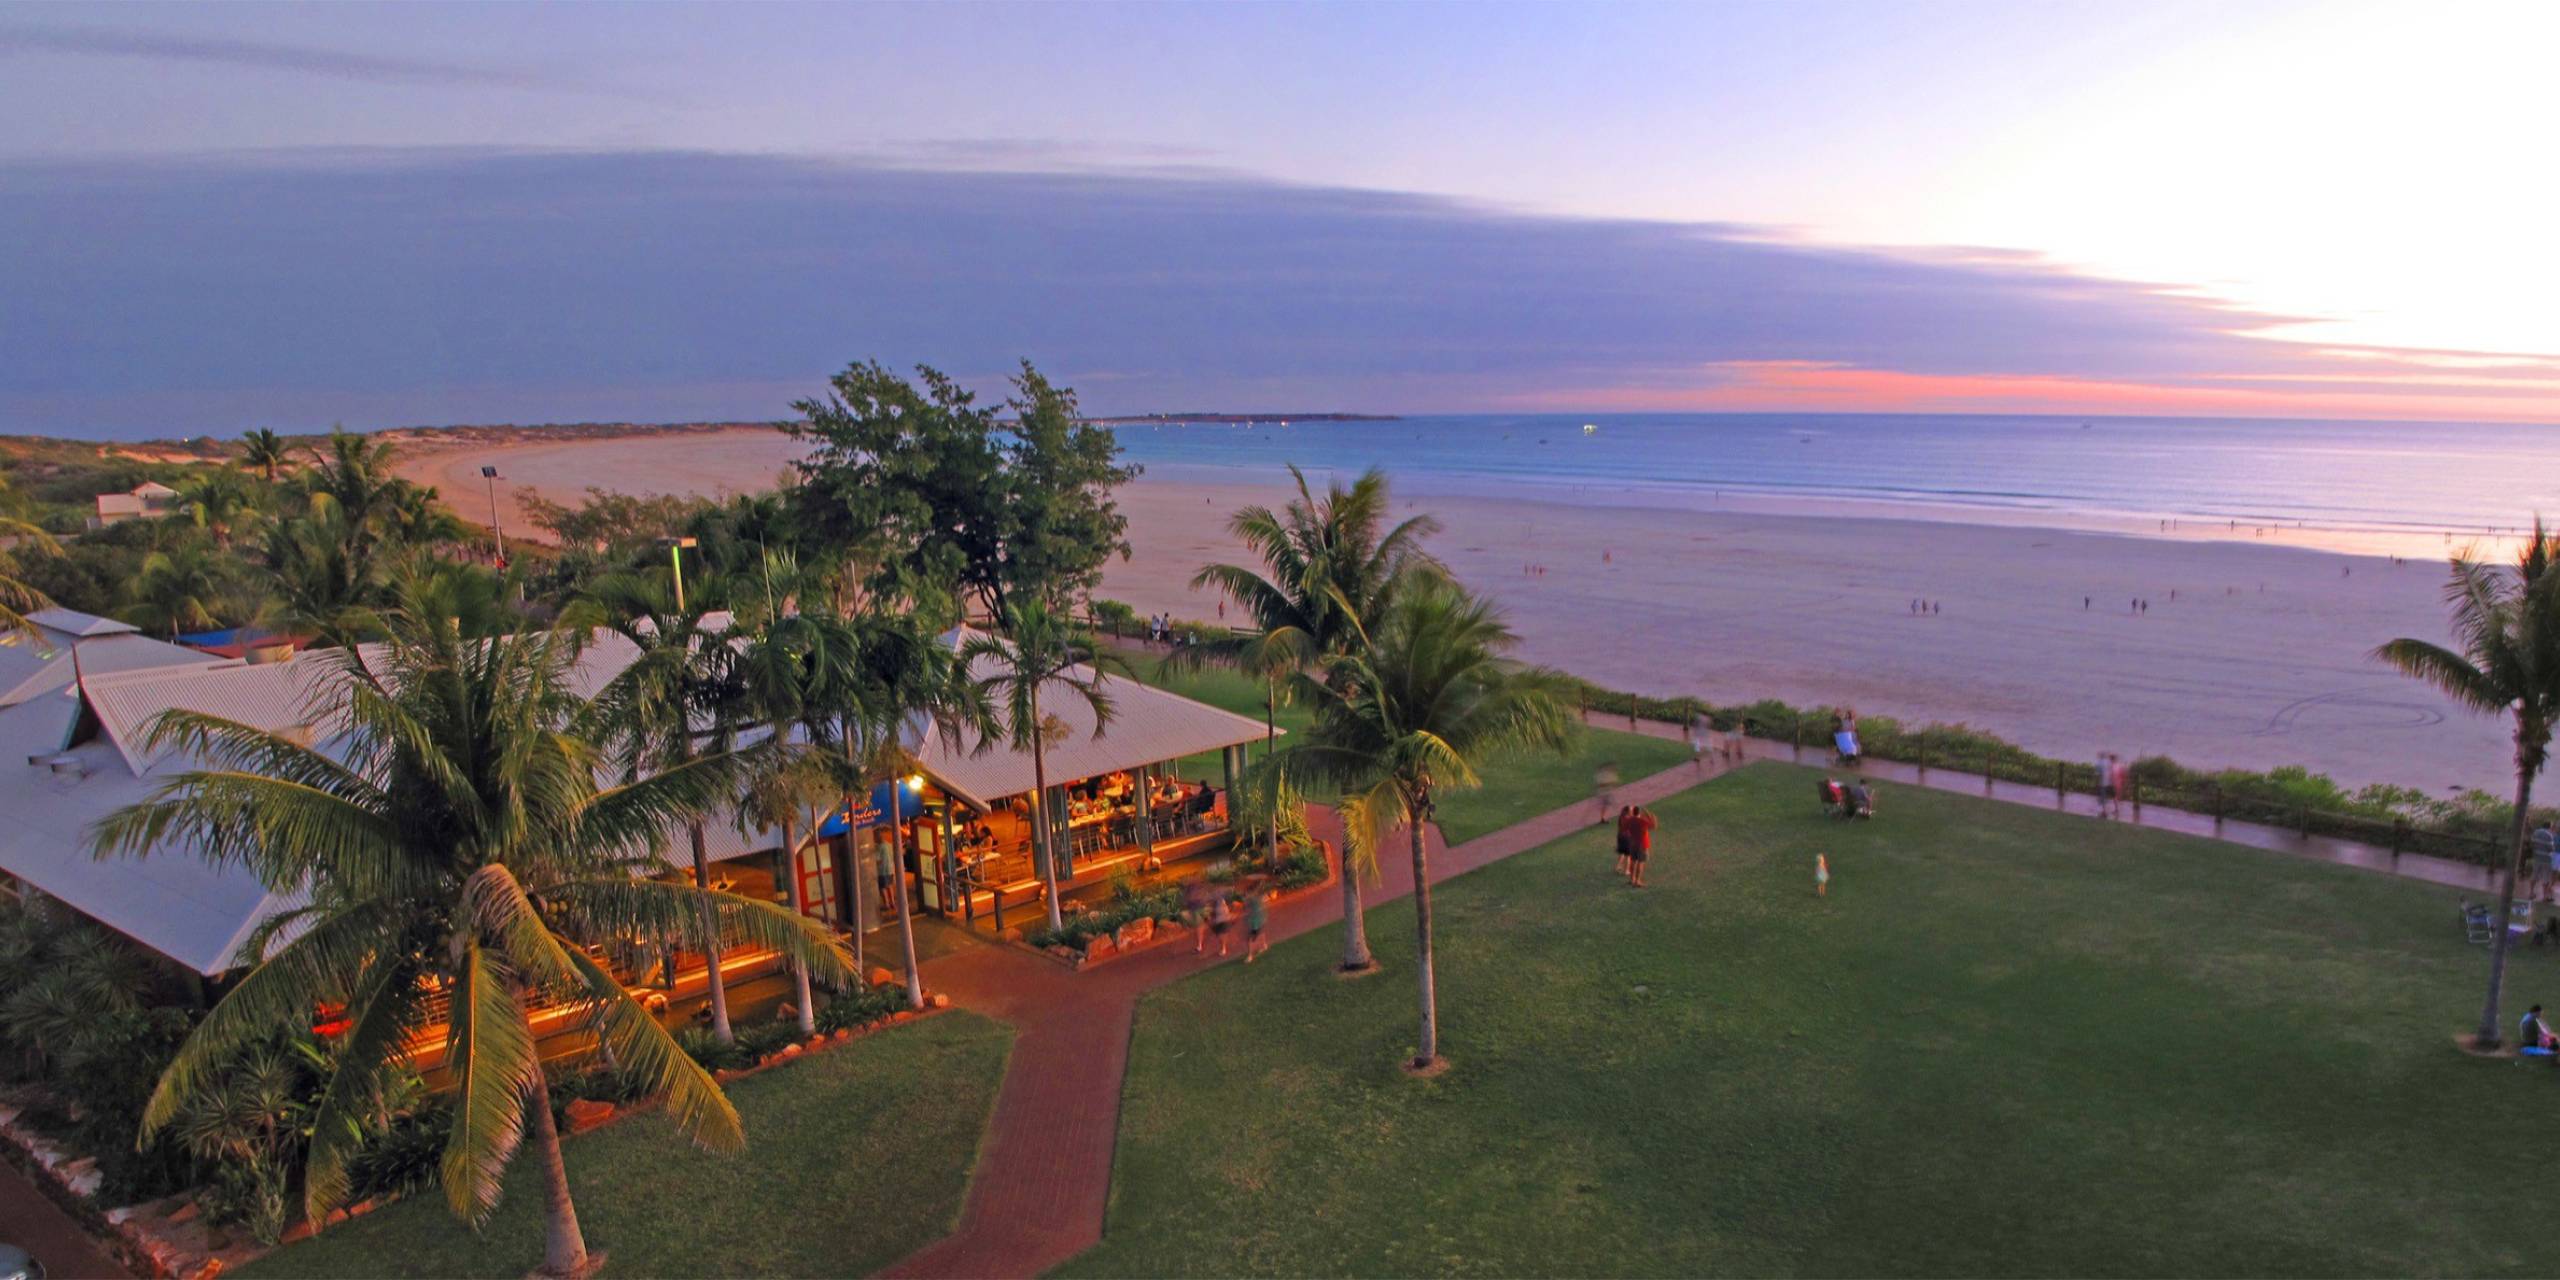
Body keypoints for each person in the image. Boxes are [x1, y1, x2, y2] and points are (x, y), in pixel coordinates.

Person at [1626, 805, 1657, 887]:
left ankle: (1632, 879)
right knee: (1641, 862)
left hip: (1633, 844)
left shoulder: (1630, 820)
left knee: (1633, 861)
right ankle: (1637, 881)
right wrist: (1648, 814)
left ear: (1633, 812)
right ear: (1639, 813)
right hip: (1642, 845)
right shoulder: (1642, 821)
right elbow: (1654, 826)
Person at [1243, 886, 1269, 963]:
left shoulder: (1252, 900)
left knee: (1249, 939)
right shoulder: (1258, 898)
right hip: (1260, 920)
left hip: (1255, 923)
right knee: (1261, 932)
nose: (1246, 894)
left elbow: (1246, 908)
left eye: (1247, 893)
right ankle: (1264, 945)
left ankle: (1250, 956)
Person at [2535, 820, 2558, 902]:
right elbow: (2551, 847)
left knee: (2538, 875)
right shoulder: (2549, 834)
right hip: (2548, 857)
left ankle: (2546, 891)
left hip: (2541, 856)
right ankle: (2545, 895)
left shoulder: (2538, 832)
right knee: (2547, 876)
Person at [1208, 891, 1236, 958]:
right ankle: (1224, 946)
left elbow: (1232, 903)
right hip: (1217, 919)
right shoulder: (1213, 897)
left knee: (1222, 934)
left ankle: (1223, 948)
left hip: (1223, 918)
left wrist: (1231, 913)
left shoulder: (1223, 897)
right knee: (1219, 934)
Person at [1614, 805, 1633, 877]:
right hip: (1627, 838)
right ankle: (1626, 870)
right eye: (1631, 810)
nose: (1632, 811)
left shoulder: (1621, 816)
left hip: (1620, 836)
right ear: (1628, 811)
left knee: (1622, 853)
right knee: (1628, 855)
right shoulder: (1629, 819)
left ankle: (1618, 867)